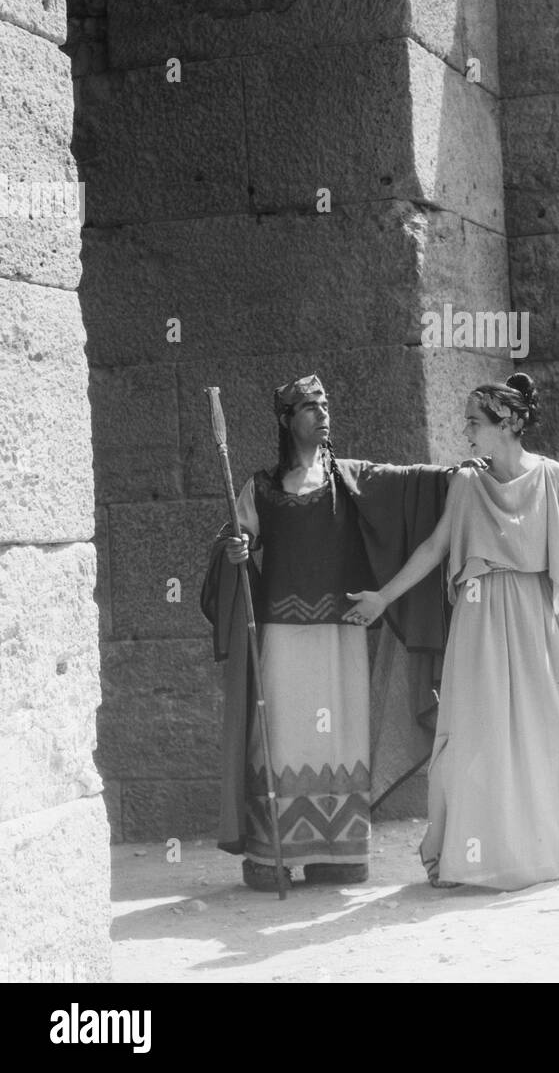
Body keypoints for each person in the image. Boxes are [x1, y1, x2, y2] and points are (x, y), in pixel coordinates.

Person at [344, 372, 559, 891]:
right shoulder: (467, 483)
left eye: (474, 420)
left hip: (541, 615)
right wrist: (384, 596)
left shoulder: (553, 476)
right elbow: (433, 549)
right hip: (482, 616)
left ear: (508, 423)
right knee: (480, 737)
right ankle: (470, 856)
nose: (465, 429)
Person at [200, 373, 455, 891]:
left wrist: (462, 474)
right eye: (310, 407)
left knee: (340, 739)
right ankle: (271, 853)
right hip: (282, 636)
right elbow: (236, 538)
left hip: (340, 636)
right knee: (283, 736)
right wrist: (234, 550)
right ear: (287, 419)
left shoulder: (353, 479)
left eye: (325, 405)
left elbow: (416, 483)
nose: (323, 414)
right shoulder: (261, 488)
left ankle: (336, 852)